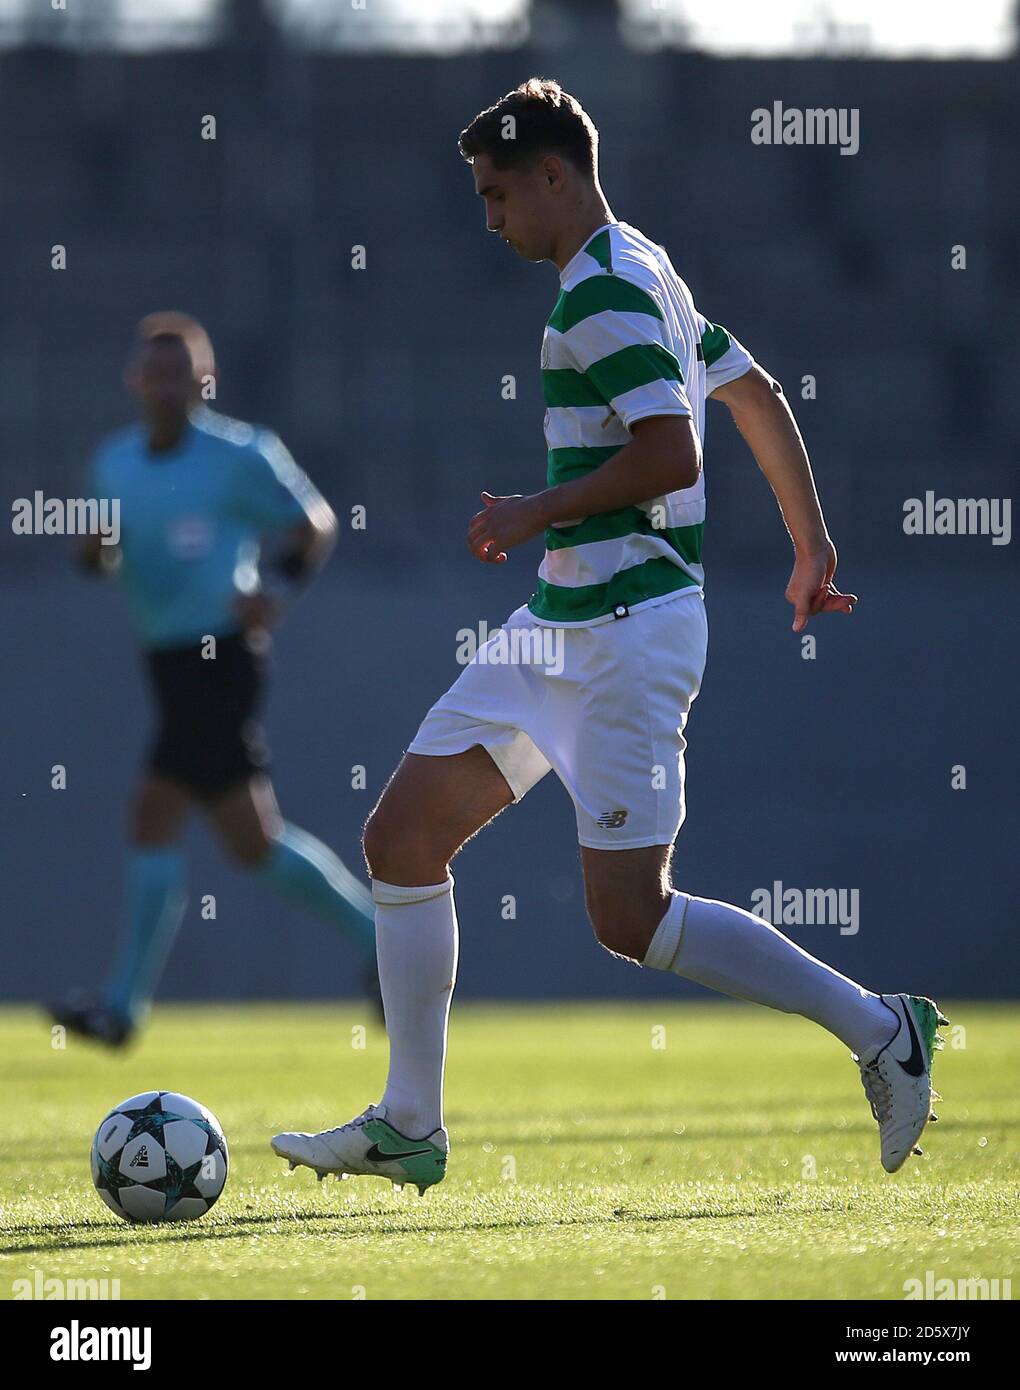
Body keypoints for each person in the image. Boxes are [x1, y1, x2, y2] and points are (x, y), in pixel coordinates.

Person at [272, 81, 945, 1195]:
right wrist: (811, 543)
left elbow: (672, 452)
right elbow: (758, 393)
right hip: (563, 624)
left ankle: (882, 1027)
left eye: (498, 193)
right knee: (401, 837)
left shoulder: (604, 289)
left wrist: (534, 510)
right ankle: (409, 1121)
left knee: (630, 919)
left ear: (554, 174)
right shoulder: (647, 267)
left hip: (630, 632)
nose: (490, 217)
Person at [51, 312, 377, 1046]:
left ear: (205, 382)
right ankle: (385, 946)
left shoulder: (242, 454)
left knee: (154, 810)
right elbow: (94, 555)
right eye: (153, 372)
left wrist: (279, 592)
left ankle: (121, 1010)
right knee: (252, 840)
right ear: (134, 380)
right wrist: (95, 550)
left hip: (222, 657)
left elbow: (314, 524)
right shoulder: (113, 463)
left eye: (181, 373)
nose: (165, 386)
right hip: (166, 663)